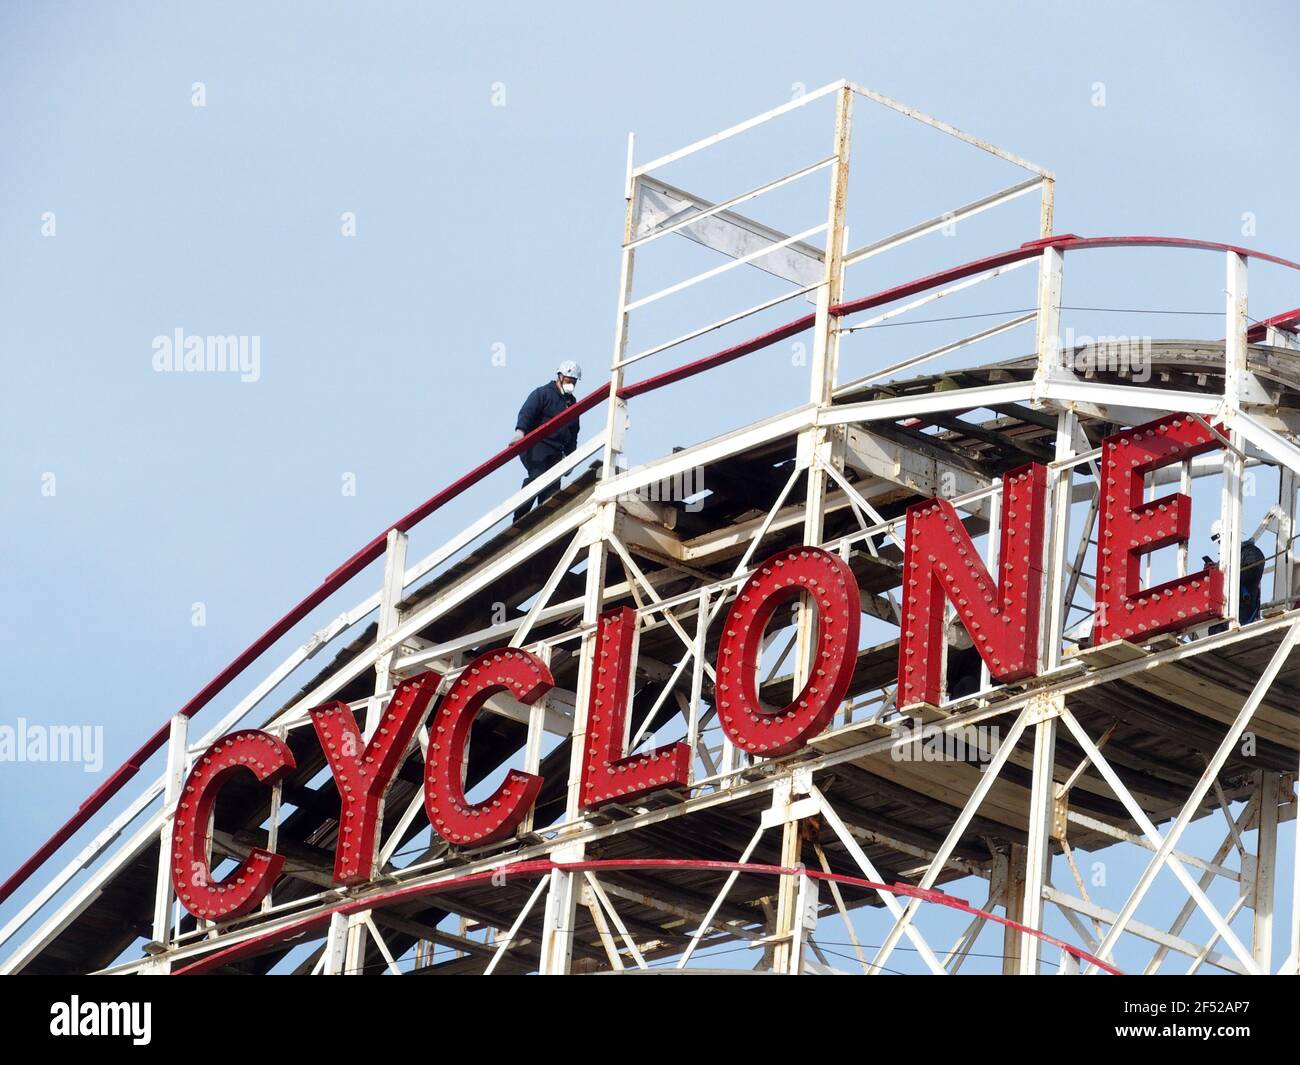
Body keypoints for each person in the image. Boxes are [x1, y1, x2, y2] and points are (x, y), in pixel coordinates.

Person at [512, 361, 582, 521]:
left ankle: (542, 523)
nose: (570, 385)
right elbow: (527, 413)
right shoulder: (543, 393)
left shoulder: (572, 404)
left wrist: (571, 457)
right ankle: (520, 518)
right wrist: (520, 432)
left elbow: (573, 432)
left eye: (573, 382)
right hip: (536, 446)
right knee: (537, 477)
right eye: (568, 381)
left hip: (556, 451)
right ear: (559, 377)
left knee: (552, 489)